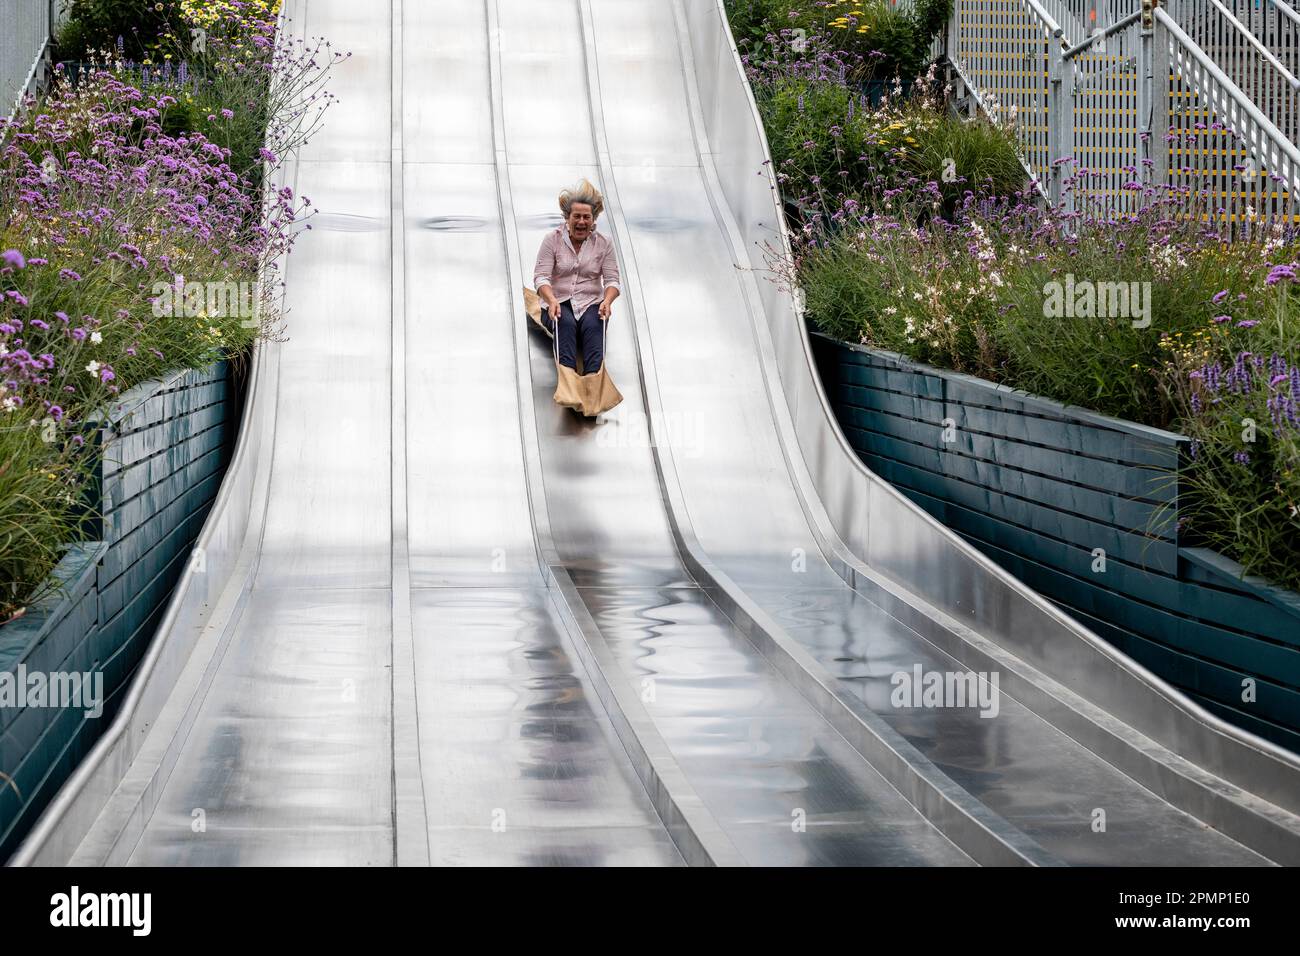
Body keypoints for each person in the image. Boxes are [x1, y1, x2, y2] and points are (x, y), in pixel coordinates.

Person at [532, 179, 620, 376]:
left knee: (594, 324)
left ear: (593, 219)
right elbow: (541, 277)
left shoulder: (604, 243)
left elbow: (613, 280)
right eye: (577, 216)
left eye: (586, 217)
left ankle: (593, 381)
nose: (581, 221)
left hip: (591, 302)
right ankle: (569, 382)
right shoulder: (551, 240)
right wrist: (551, 300)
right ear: (567, 217)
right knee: (565, 323)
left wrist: (607, 300)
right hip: (558, 302)